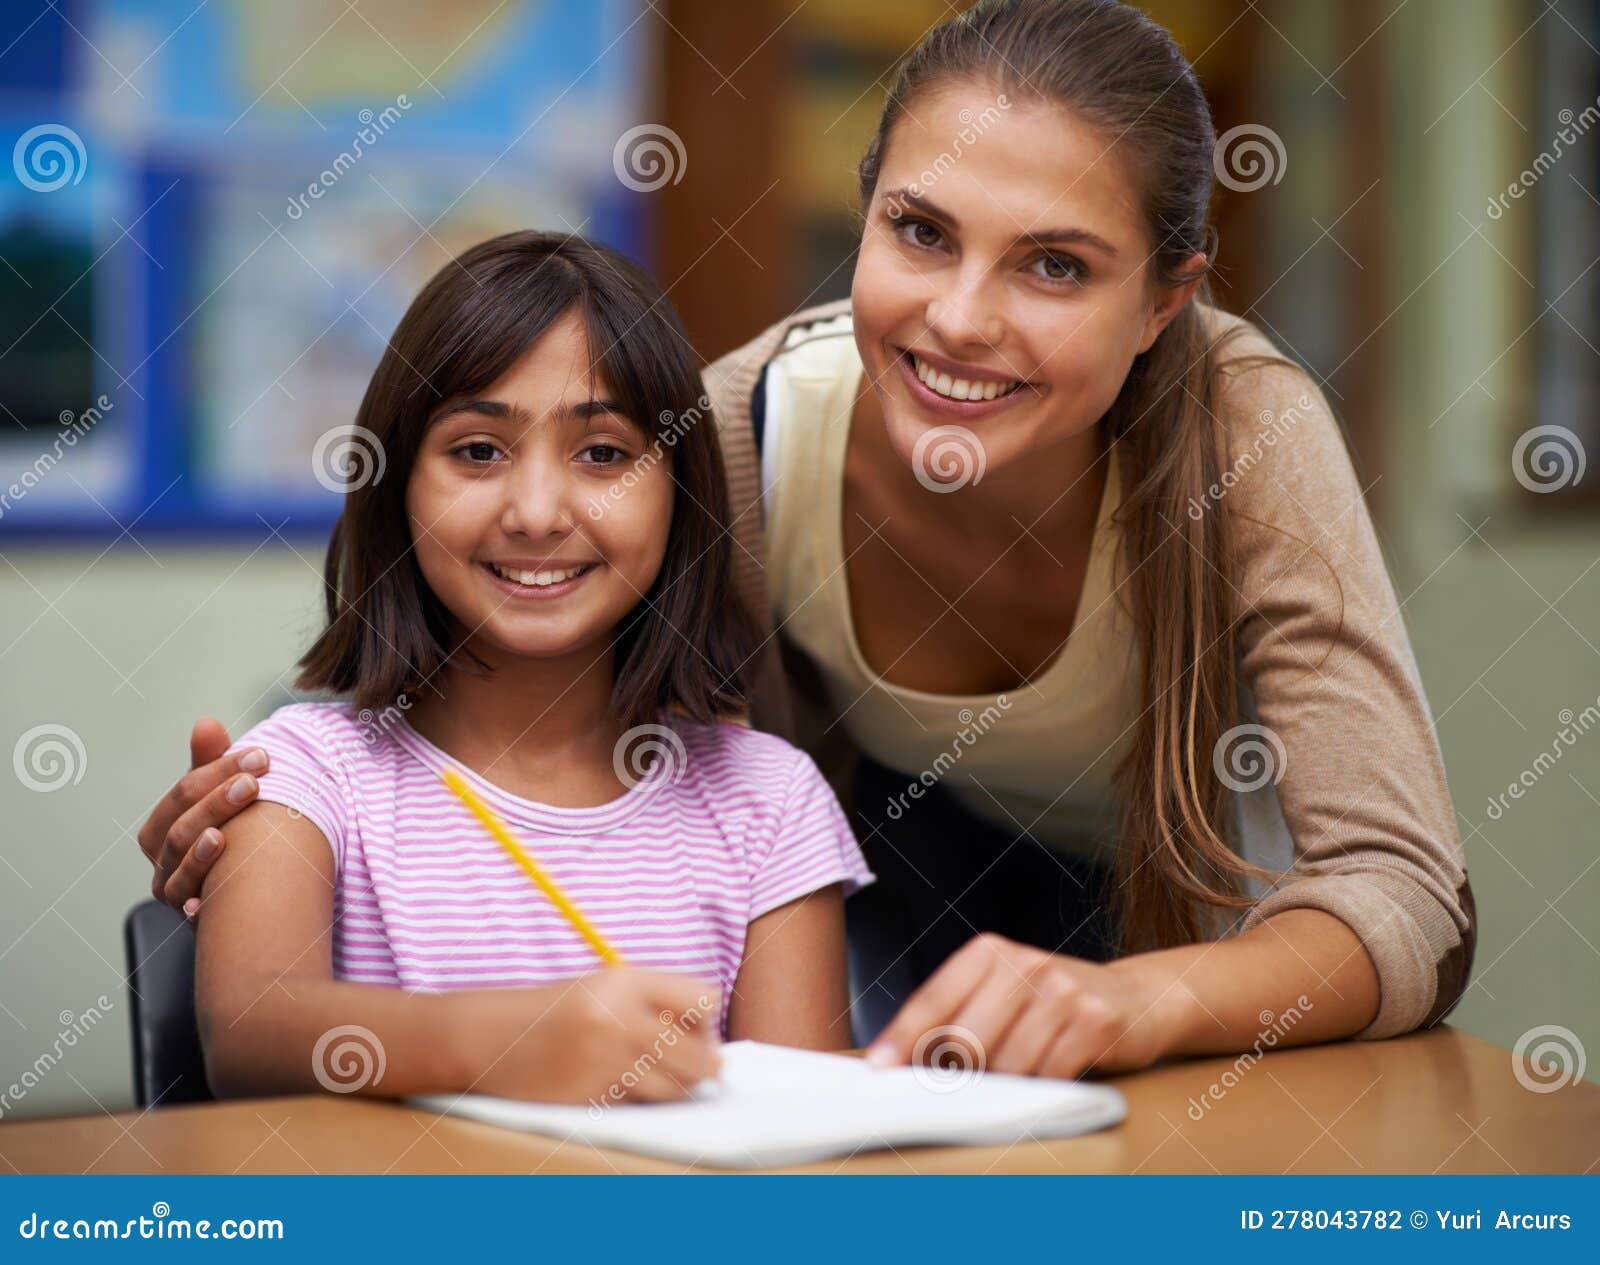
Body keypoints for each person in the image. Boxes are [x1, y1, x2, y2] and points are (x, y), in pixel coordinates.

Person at [141, 0, 1474, 1083]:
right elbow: (476, 634)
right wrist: (257, 816)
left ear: (1164, 299)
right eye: (920, 231)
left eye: (1055, 264)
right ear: (866, 214)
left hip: (1192, 950)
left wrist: (1133, 1001)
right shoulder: (734, 441)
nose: (960, 317)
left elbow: (1406, 892)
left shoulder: (1244, 434)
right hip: (907, 900)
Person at [191, 230, 871, 1104]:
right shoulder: (307, 773)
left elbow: (801, 1128)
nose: (538, 512)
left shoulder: (769, 802)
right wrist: (518, 1039)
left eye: (604, 454)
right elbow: (248, 1034)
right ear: (396, 486)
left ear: (682, 493)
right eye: (478, 450)